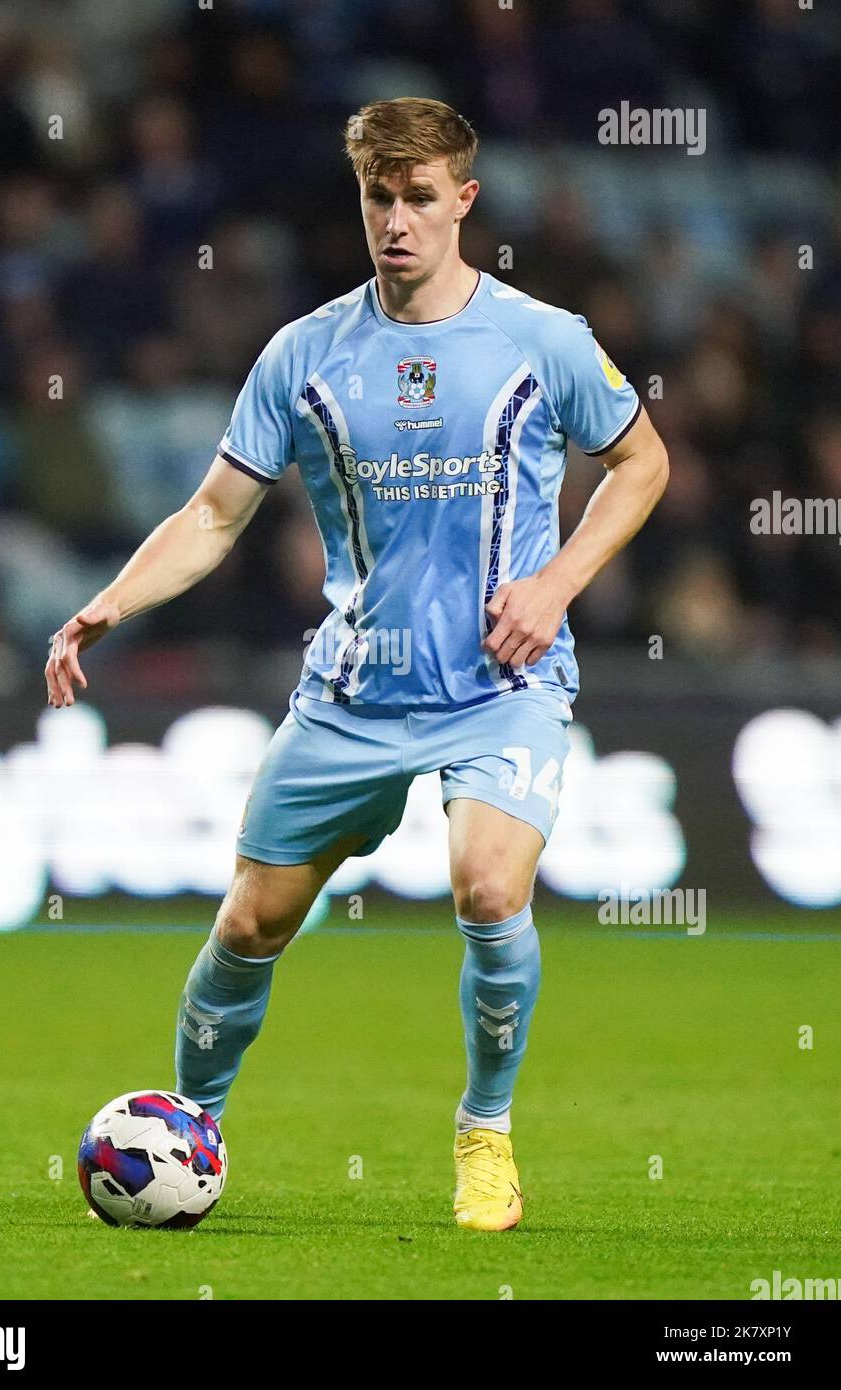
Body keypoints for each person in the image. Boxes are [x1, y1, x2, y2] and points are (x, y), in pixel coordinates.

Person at [46, 98, 669, 1232]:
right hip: (352, 693)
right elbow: (215, 512)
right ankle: (190, 1122)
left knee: (489, 887)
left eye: (419, 198)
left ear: (463, 203)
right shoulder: (306, 352)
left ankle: (483, 1133)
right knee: (249, 925)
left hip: (500, 683)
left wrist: (553, 587)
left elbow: (640, 461)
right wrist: (107, 604)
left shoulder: (544, 340)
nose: (396, 220)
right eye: (378, 197)